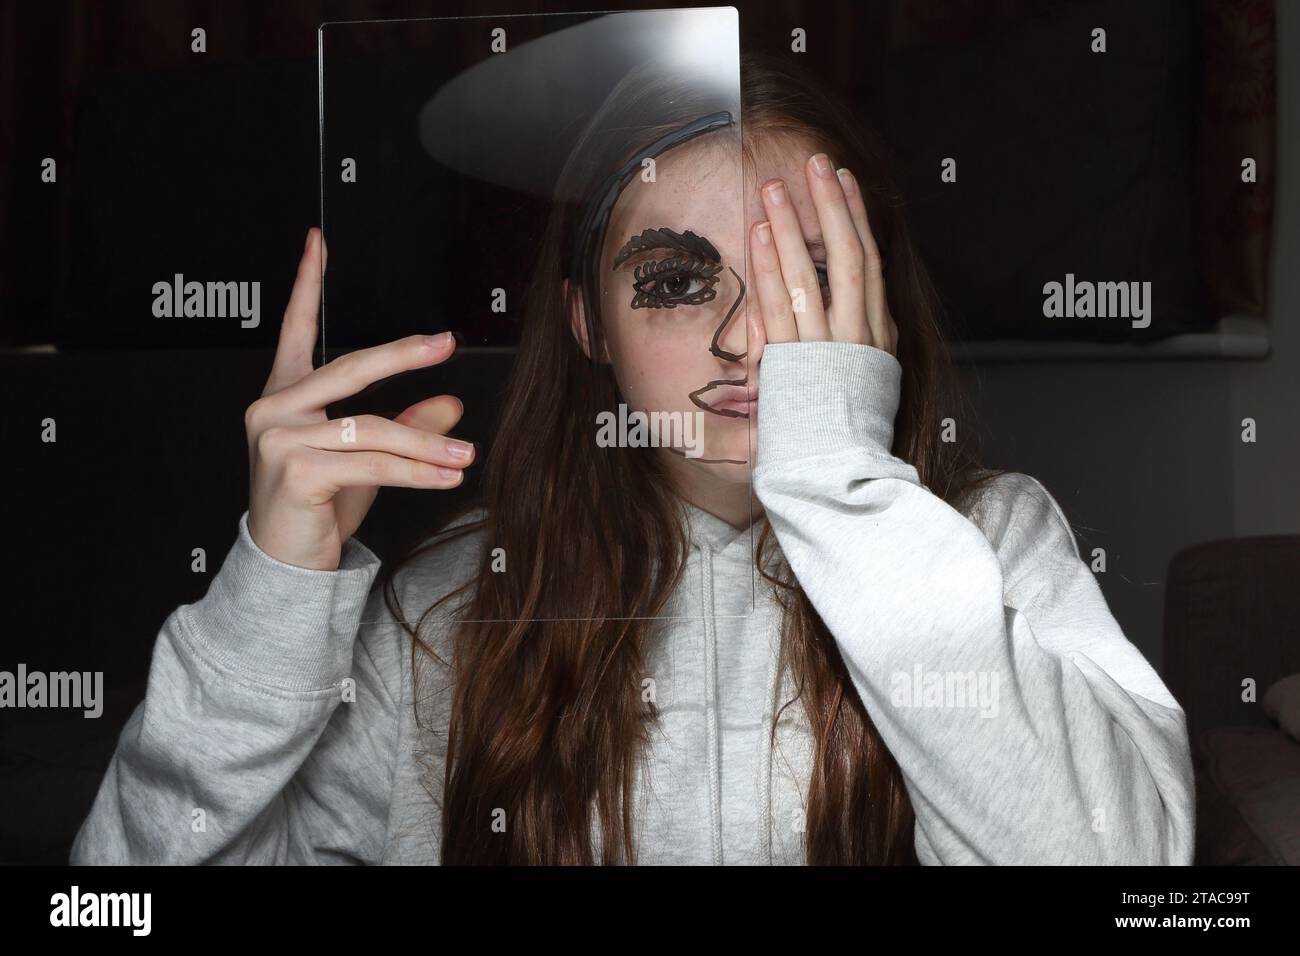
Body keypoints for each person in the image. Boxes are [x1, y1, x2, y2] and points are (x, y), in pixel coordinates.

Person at [70, 53, 1195, 865]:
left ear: (877, 307)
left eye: (806, 279)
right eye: (674, 278)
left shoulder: (994, 543)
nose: (746, 338)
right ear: (587, 326)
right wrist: (269, 595)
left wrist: (842, 489)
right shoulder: (453, 610)